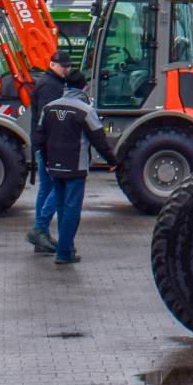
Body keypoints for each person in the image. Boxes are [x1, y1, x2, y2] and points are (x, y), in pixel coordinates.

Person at [31, 70, 117, 265]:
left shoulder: (49, 108)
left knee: (61, 207)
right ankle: (64, 252)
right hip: (75, 168)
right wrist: (112, 161)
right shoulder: (86, 111)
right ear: (84, 87)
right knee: (71, 210)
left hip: (53, 166)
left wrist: (46, 160)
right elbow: (99, 140)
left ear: (66, 86)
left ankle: (66, 247)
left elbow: (39, 137)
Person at [25, 54, 73, 255]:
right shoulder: (50, 86)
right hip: (49, 145)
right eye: (63, 66)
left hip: (42, 143)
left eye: (68, 66)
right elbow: (50, 117)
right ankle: (40, 229)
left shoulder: (48, 82)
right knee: (57, 187)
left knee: (46, 188)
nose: (66, 69)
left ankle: (41, 236)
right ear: (52, 64)